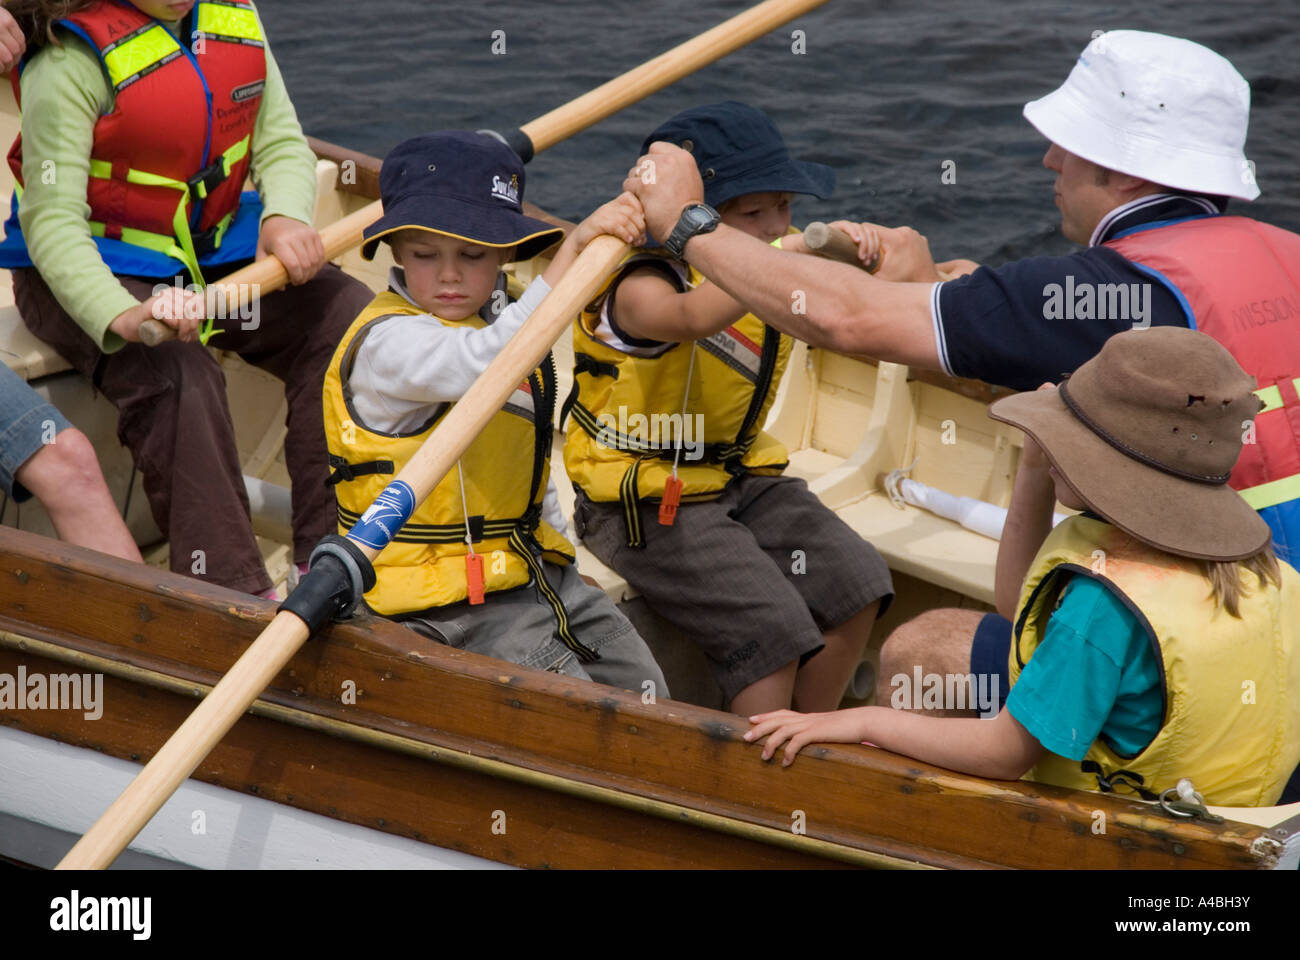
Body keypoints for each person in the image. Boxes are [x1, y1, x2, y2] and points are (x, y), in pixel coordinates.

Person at [622, 31, 1300, 568]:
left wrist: (689, 224)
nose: (1049, 163)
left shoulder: (1102, 292)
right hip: (1266, 570)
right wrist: (939, 292)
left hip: (1241, 590)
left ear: (1119, 172)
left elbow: (847, 318)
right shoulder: (1284, 249)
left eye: (1069, 145)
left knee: (930, 650)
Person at [746, 328, 1300, 808]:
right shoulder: (1261, 565)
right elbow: (1020, 614)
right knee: (925, 646)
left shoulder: (1103, 607)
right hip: (1229, 806)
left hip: (1120, 832)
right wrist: (1035, 471)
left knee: (912, 712)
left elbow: (1005, 754)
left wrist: (859, 722)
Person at [0, 0, 373, 597]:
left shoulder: (234, 22)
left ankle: (325, 561)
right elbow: (53, 224)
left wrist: (283, 218)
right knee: (177, 370)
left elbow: (280, 143)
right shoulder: (68, 59)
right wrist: (121, 313)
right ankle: (228, 592)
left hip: (208, 256)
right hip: (88, 268)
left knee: (344, 314)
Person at [565, 102, 894, 716]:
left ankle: (808, 739)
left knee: (858, 582)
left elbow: (854, 316)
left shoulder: (770, 271)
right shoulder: (638, 284)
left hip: (735, 477)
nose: (774, 226)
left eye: (785, 208)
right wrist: (791, 254)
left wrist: (871, 258)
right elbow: (689, 318)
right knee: (771, 631)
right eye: (753, 213)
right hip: (637, 501)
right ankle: (754, 786)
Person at [324, 131, 667, 693]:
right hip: (442, 602)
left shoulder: (499, 324)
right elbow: (483, 362)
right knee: (575, 705)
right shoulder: (392, 346)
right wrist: (575, 253)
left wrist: (567, 555)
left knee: (646, 685)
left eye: (473, 254)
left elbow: (526, 472)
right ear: (395, 252)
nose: (450, 274)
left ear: (507, 253)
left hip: (530, 573)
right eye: (425, 256)